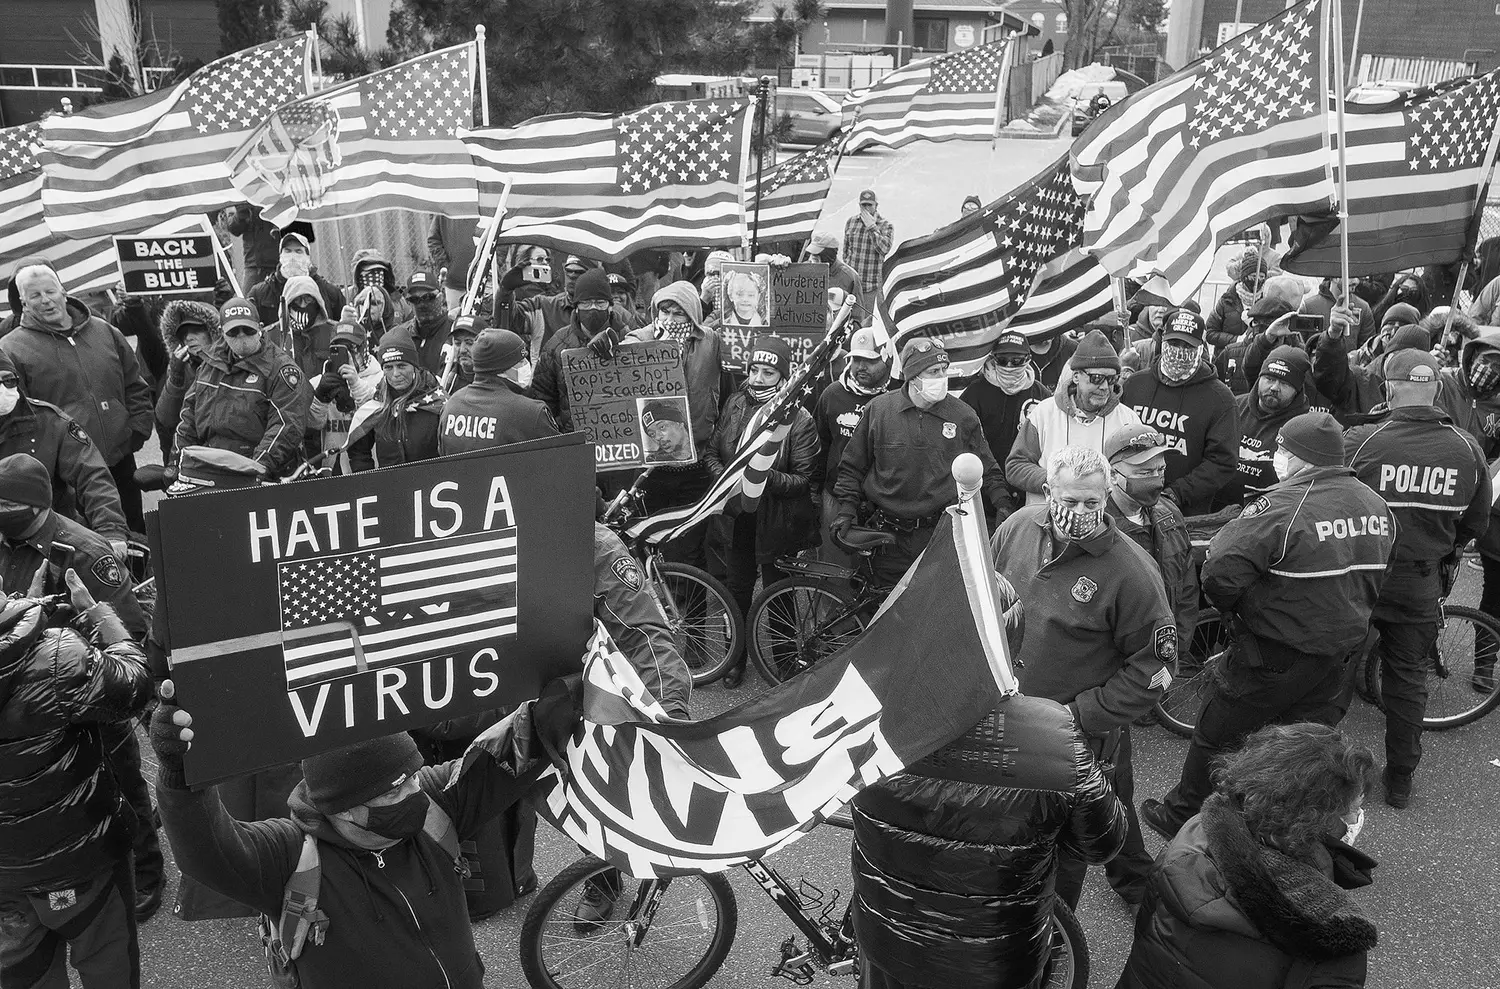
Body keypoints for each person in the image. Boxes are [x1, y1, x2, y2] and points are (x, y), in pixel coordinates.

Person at [148, 682, 575, 989]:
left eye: (412, 775)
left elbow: (519, 747)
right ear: (344, 806)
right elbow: (206, 848)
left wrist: (572, 683)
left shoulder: (434, 802)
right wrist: (178, 773)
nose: (417, 792)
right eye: (396, 789)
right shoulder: (289, 854)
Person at [850, 586, 1129, 989]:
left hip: (889, 948)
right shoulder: (1053, 734)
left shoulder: (862, 715)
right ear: (1010, 650)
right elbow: (1101, 845)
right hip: (997, 962)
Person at [1141, 412, 1396, 841]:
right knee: (1301, 749)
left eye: (1282, 450)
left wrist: (1235, 610)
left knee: (1217, 732)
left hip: (1272, 651)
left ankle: (1182, 815)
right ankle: (1275, 830)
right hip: (1339, 656)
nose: (1277, 458)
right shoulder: (1376, 505)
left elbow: (1220, 571)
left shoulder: (1281, 505)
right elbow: (1380, 572)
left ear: (1301, 458)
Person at [991, 444, 1174, 907]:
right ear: (1047, 490)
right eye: (1068, 501)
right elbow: (984, 596)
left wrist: (1080, 716)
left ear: (1108, 491)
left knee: (1067, 846)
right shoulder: (1014, 529)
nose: (1080, 512)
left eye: (1092, 503)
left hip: (1078, 737)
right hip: (1009, 720)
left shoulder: (1131, 570)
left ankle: (1054, 940)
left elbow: (1156, 668)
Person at [1118, 723, 1378, 989]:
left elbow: (1145, 928)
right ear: (1316, 820)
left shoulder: (1197, 831)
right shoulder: (1334, 940)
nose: (1356, 819)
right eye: (1353, 809)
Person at [1343, 350, 1489, 807]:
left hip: (1360, 577)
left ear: (1389, 388)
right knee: (1407, 679)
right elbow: (1475, 523)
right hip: (1420, 579)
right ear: (1437, 390)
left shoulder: (1364, 440)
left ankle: (1313, 773)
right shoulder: (1466, 447)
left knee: (1332, 670)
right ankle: (1400, 779)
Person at [0, 552, 151, 988]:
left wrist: (24, 618)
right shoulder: (57, 655)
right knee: (109, 970)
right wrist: (98, 613)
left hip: (5, 881)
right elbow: (134, 684)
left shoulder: (48, 649)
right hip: (83, 861)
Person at [833, 338, 1010, 588]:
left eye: (943, 370)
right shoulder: (879, 410)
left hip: (938, 534)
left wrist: (1002, 503)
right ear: (913, 376)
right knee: (883, 611)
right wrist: (846, 509)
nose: (941, 377)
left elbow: (986, 467)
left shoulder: (963, 416)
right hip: (887, 535)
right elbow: (852, 467)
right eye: (933, 371)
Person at [2, 258, 153, 537]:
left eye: (50, 291)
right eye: (34, 295)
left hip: (120, 461)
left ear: (63, 290)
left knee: (135, 538)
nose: (45, 300)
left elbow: (135, 384)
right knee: (85, 550)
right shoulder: (11, 349)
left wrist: (137, 430)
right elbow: (16, 416)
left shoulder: (105, 331)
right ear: (23, 301)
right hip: (65, 477)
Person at [704, 336, 821, 687]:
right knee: (736, 591)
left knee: (779, 594)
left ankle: (784, 660)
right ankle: (734, 658)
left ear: (783, 378)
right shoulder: (735, 404)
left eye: (768, 372)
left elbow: (803, 478)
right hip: (737, 517)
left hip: (778, 523)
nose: (757, 378)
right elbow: (713, 452)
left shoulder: (799, 418)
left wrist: (761, 478)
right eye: (754, 369)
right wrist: (729, 481)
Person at [0, 348, 128, 557]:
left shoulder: (49, 422)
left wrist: (111, 530)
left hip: (53, 541)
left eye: (9, 381)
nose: (3, 389)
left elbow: (92, 475)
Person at [172, 298, 310, 480]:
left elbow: (287, 426)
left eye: (248, 329)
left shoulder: (282, 370)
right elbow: (188, 419)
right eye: (234, 331)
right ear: (222, 333)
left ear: (260, 328)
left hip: (259, 470)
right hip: (209, 466)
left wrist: (256, 469)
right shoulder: (208, 365)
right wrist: (177, 462)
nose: (242, 336)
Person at [1007, 328, 1144, 506]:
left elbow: (1139, 473)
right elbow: (1015, 466)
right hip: (1046, 523)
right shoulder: (1044, 412)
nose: (1104, 387)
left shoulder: (1129, 420)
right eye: (1096, 378)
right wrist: (1058, 481)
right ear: (1077, 376)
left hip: (1105, 525)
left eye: (1111, 379)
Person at [1121, 309, 1239, 514]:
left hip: (1183, 511)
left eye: (1187, 346)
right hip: (1127, 501)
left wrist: (1176, 494)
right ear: (1162, 341)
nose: (1179, 351)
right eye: (1174, 344)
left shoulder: (1220, 399)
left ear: (1200, 349)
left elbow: (1222, 462)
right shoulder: (1134, 385)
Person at [1103, 427, 1197, 661]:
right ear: (1112, 475)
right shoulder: (1098, 528)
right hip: (1115, 665)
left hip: (1164, 655)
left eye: (1161, 469)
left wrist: (1177, 647)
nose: (1156, 480)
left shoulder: (1169, 513)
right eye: (1144, 473)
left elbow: (1187, 587)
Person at [813, 328, 890, 565]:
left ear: (886, 358)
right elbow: (819, 445)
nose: (861, 366)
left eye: (870, 360)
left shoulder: (898, 396)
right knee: (835, 570)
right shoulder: (832, 394)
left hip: (883, 503)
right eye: (856, 359)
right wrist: (814, 491)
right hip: (836, 497)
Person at [960, 331, 1050, 512]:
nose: (1009, 366)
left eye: (1016, 361)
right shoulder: (975, 393)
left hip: (1029, 494)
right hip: (984, 494)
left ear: (1028, 359)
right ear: (993, 359)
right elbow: (967, 445)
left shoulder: (1041, 396)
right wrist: (996, 494)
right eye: (1002, 360)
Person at [1216, 344, 1314, 509]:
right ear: (1259, 378)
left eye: (1284, 383)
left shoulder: (1304, 428)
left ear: (1297, 390)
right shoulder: (1232, 406)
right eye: (1269, 379)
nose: (1275, 387)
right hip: (1216, 509)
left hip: (1269, 515)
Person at [438, 328, 557, 456]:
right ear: (503, 368)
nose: (526, 365)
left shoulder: (451, 406)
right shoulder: (532, 413)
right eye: (521, 361)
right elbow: (559, 461)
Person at [347, 334, 446, 471]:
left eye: (401, 366)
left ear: (414, 367)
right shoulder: (377, 405)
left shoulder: (438, 402)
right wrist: (368, 481)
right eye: (388, 367)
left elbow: (453, 449)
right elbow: (358, 451)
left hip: (429, 486)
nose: (395, 374)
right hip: (390, 487)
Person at [307, 318, 381, 474]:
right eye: (339, 348)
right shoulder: (318, 382)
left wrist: (356, 384)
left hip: (372, 469)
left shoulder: (381, 379)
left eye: (352, 348)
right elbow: (310, 425)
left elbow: (380, 417)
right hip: (331, 472)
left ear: (364, 350)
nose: (347, 354)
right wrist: (320, 398)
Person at [246, 231, 344, 328]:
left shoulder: (329, 292)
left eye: (298, 251)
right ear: (280, 256)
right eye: (288, 251)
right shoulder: (259, 293)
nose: (292, 257)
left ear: (308, 257)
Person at [263, 274, 338, 381]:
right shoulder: (271, 336)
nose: (303, 306)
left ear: (317, 303)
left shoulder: (334, 332)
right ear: (288, 303)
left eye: (308, 300)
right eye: (297, 300)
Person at [1214, 296, 1295, 395]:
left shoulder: (1296, 357)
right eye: (1256, 322)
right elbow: (1214, 392)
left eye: (1269, 323)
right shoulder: (1230, 353)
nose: (1260, 329)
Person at [1203, 247, 1272, 349]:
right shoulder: (1227, 301)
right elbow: (1210, 333)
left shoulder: (1267, 302)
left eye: (1262, 277)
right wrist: (1236, 340)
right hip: (1226, 358)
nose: (1258, 281)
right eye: (1254, 276)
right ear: (1244, 277)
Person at [387, 270, 453, 376]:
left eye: (428, 297)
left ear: (441, 297)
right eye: (415, 299)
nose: (422, 304)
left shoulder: (454, 332)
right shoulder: (401, 335)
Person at [802, 231, 865, 322]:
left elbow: (857, 316)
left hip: (834, 332)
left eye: (816, 255)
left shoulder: (850, 277)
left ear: (828, 255)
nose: (811, 258)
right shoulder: (803, 270)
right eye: (811, 254)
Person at [842, 189, 894, 298]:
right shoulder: (851, 222)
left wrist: (871, 228)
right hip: (851, 285)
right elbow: (845, 250)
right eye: (863, 205)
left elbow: (884, 249)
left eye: (869, 205)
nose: (866, 208)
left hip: (871, 287)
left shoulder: (886, 225)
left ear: (876, 205)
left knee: (867, 315)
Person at [1301, 279, 1375, 349]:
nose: (1356, 281)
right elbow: (1301, 348)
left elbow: (1368, 349)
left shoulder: (1363, 307)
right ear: (1334, 277)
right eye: (1350, 275)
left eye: (1357, 275)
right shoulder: (1308, 307)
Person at [427, 214, 479, 311]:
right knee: (454, 321)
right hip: (455, 283)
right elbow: (433, 240)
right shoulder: (445, 209)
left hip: (484, 282)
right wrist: (446, 266)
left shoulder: (485, 204)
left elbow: (501, 237)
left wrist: (494, 263)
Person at [224, 203, 279, 289]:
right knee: (247, 300)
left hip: (281, 263)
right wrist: (241, 212)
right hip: (254, 265)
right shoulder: (247, 195)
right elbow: (235, 229)